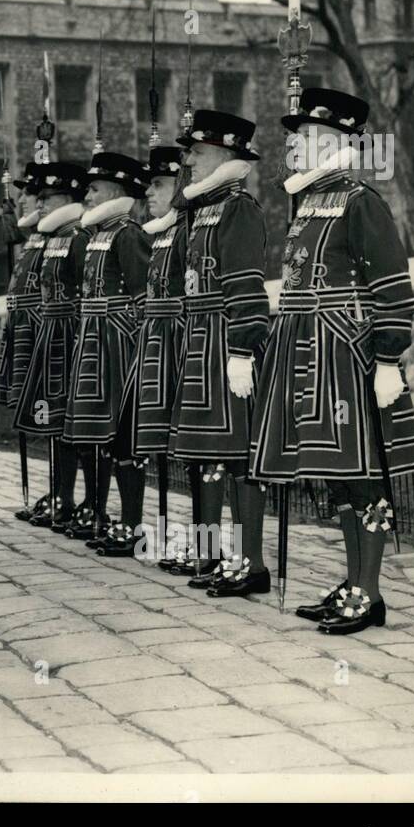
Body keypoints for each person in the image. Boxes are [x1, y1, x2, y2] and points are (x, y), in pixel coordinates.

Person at [250, 89, 414, 634]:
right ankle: (353, 583)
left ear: (333, 142)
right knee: (337, 477)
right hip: (305, 351)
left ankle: (369, 593)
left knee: (364, 472)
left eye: (301, 137)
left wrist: (390, 358)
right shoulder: (305, 203)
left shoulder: (359, 201)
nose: (292, 146)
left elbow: (393, 286)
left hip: (347, 355)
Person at [169, 109, 271, 598]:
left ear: (227, 154)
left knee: (240, 456)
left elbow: (247, 284)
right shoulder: (202, 207)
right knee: (203, 455)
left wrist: (241, 350)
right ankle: (210, 553)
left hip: (227, 338)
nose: (187, 159)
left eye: (197, 151)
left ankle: (251, 562)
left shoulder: (238, 207)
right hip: (199, 337)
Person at [61, 150, 150, 549]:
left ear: (116, 189)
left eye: (95, 188)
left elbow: (142, 296)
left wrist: (130, 344)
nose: (88, 195)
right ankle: (112, 517)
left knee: (123, 434)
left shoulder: (127, 233)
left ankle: (133, 523)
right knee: (102, 436)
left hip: (116, 345)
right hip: (95, 340)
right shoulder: (100, 234)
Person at [119, 145, 191, 568]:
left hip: (180, 346)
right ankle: (149, 531)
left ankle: (207, 543)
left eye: (159, 183)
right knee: (135, 437)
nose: (149, 192)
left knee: (193, 450)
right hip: (154, 346)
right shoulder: (161, 232)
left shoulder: (184, 230)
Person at [12, 159, 93, 532]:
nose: (39, 203)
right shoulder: (53, 237)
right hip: (50, 337)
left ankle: (83, 499)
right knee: (52, 421)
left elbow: (83, 291)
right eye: (38, 197)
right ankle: (60, 494)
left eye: (48, 197)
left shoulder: (77, 237)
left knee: (73, 424)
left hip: (71, 339)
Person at [0, 164, 49, 522]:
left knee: (49, 418)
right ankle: (49, 494)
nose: (22, 200)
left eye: (29, 194)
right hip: (24, 330)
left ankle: (62, 495)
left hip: (42, 333)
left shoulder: (50, 237)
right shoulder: (32, 238)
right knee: (32, 417)